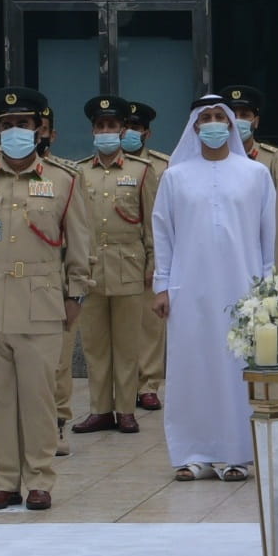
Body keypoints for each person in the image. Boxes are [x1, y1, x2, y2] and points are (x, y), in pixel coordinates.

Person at [0, 94, 88, 510]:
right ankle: (4, 479)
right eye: (8, 125)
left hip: (41, 302)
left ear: (39, 130)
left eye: (24, 124)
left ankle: (40, 478)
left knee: (39, 396)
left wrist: (76, 292)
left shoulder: (63, 180)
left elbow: (80, 245)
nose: (16, 133)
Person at [154, 95, 272, 483]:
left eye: (220, 116)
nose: (213, 123)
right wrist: (162, 284)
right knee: (192, 366)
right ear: (194, 125)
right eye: (205, 117)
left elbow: (267, 234)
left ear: (232, 124)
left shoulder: (255, 173)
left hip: (244, 286)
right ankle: (192, 453)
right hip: (189, 289)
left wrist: (268, 289)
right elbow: (164, 233)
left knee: (236, 367)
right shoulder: (175, 176)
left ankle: (238, 454)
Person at [69, 95, 162, 436]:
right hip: (91, 269)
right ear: (93, 130)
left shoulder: (141, 171)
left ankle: (125, 409)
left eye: (112, 126)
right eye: (100, 126)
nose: (106, 131)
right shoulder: (78, 171)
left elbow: (152, 224)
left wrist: (154, 263)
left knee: (127, 343)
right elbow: (74, 225)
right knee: (94, 344)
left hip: (129, 265)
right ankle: (100, 409)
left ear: (123, 130)